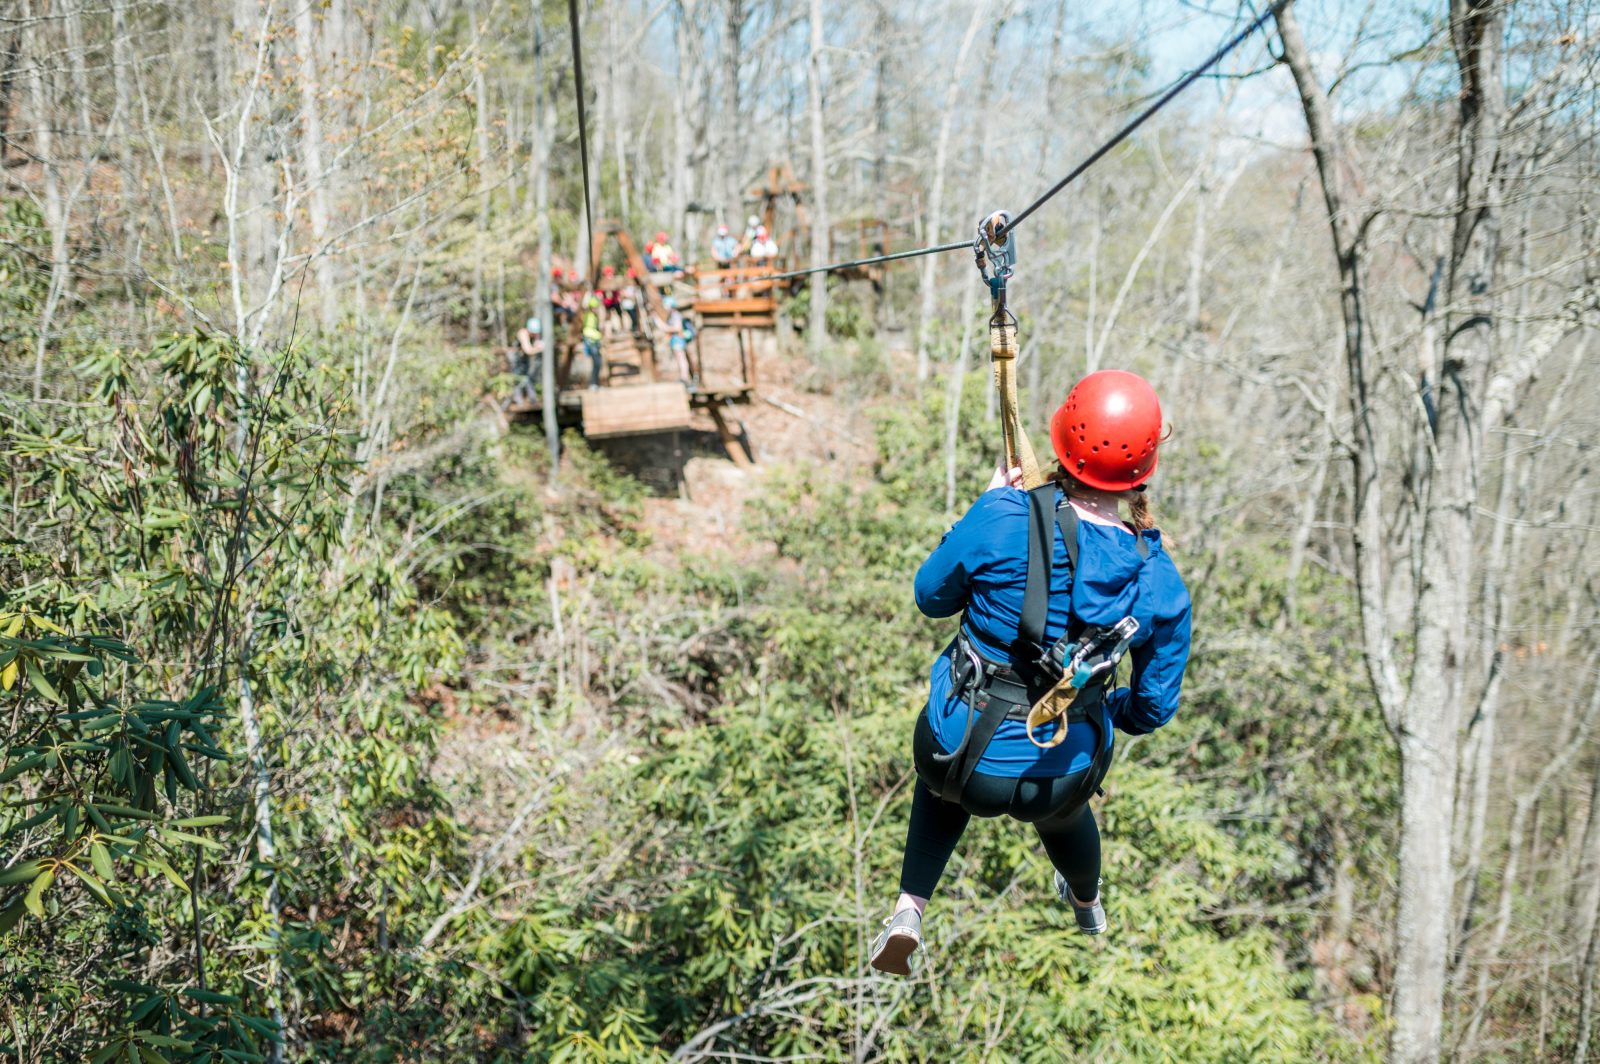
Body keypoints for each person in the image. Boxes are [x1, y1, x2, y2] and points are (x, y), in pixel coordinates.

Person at [868, 370, 1192, 976]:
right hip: (1062, 767)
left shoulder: (1004, 516)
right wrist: (1103, 707)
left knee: (944, 783)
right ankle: (1087, 900)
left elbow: (930, 596)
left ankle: (909, 910)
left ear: (1064, 441)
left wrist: (984, 508)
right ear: (1142, 469)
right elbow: (1152, 708)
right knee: (1065, 813)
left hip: (960, 746)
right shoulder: (1158, 578)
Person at [654, 295, 694, 384]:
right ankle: (683, 377)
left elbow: (677, 328)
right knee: (680, 358)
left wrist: (664, 326)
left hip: (678, 339)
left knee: (681, 358)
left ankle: (684, 377)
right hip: (675, 339)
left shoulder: (675, 315)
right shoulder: (673, 315)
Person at [511, 316, 543, 403]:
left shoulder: (535, 334)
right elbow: (528, 350)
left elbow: (536, 344)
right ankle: (518, 399)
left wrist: (538, 343)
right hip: (516, 358)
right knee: (518, 378)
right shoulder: (523, 333)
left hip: (524, 358)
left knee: (527, 377)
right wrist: (539, 349)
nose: (535, 334)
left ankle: (532, 398)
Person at [580, 293, 604, 389]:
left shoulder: (593, 316)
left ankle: (596, 383)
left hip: (595, 340)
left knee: (598, 363)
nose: (596, 309)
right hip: (591, 341)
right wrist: (598, 335)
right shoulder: (588, 315)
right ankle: (593, 383)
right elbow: (587, 330)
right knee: (596, 362)